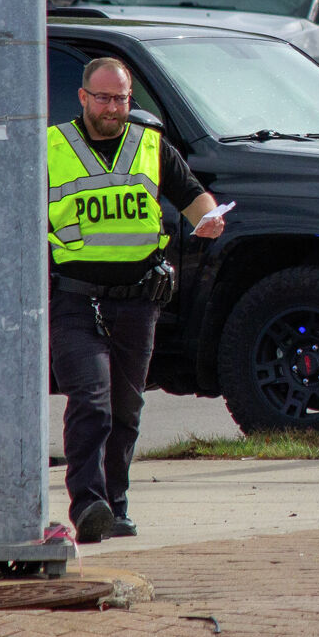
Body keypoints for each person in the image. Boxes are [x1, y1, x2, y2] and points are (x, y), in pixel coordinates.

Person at [49, 56, 224, 542]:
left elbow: (195, 198)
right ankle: (88, 506)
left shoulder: (151, 146)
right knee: (92, 402)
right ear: (83, 97)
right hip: (76, 300)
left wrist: (209, 219)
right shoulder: (50, 147)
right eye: (102, 98)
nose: (112, 108)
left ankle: (116, 506)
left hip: (138, 301)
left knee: (126, 409)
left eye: (121, 99)